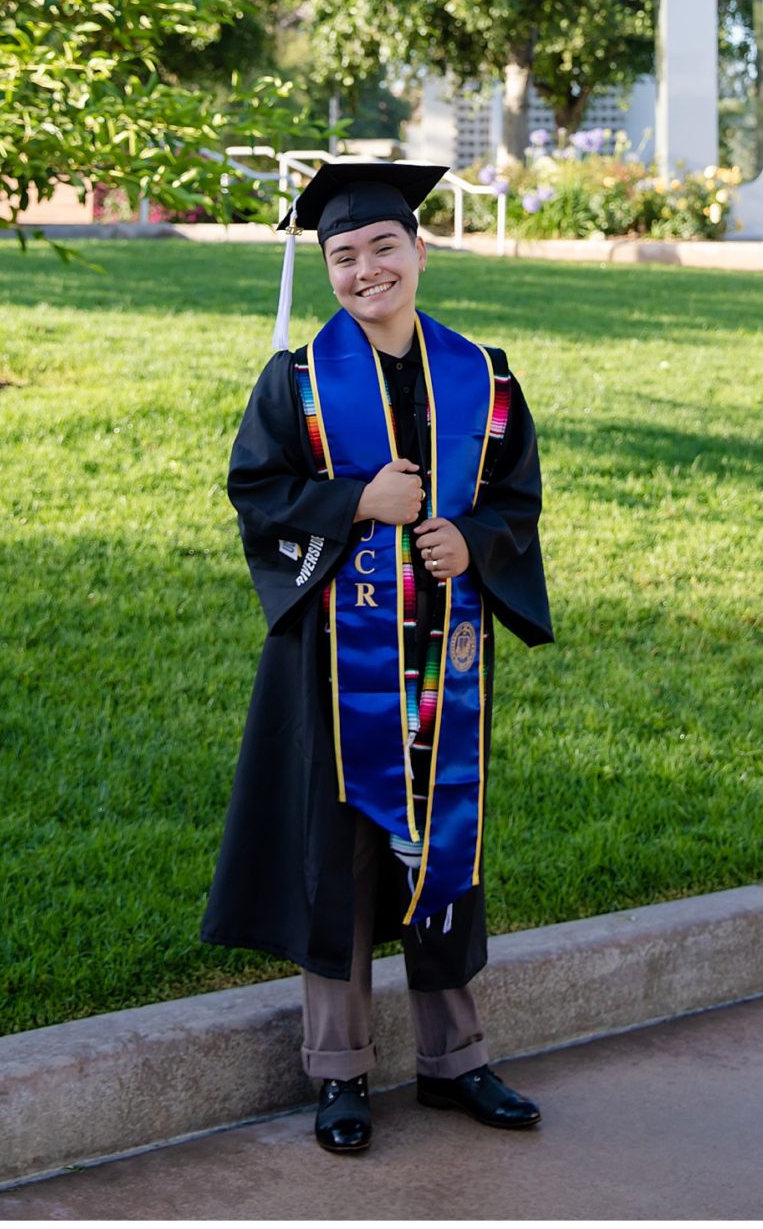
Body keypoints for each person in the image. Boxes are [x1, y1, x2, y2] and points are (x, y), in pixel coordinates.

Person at [201, 160, 553, 1156]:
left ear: (420, 251)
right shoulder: (298, 382)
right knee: (339, 858)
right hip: (330, 671)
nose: (364, 271)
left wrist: (470, 542)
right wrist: (356, 501)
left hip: (444, 660)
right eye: (342, 256)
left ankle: (456, 1060)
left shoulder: (483, 375)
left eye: (382, 248)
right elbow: (255, 493)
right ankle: (339, 1071)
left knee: (442, 844)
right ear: (325, 268)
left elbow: (515, 501)